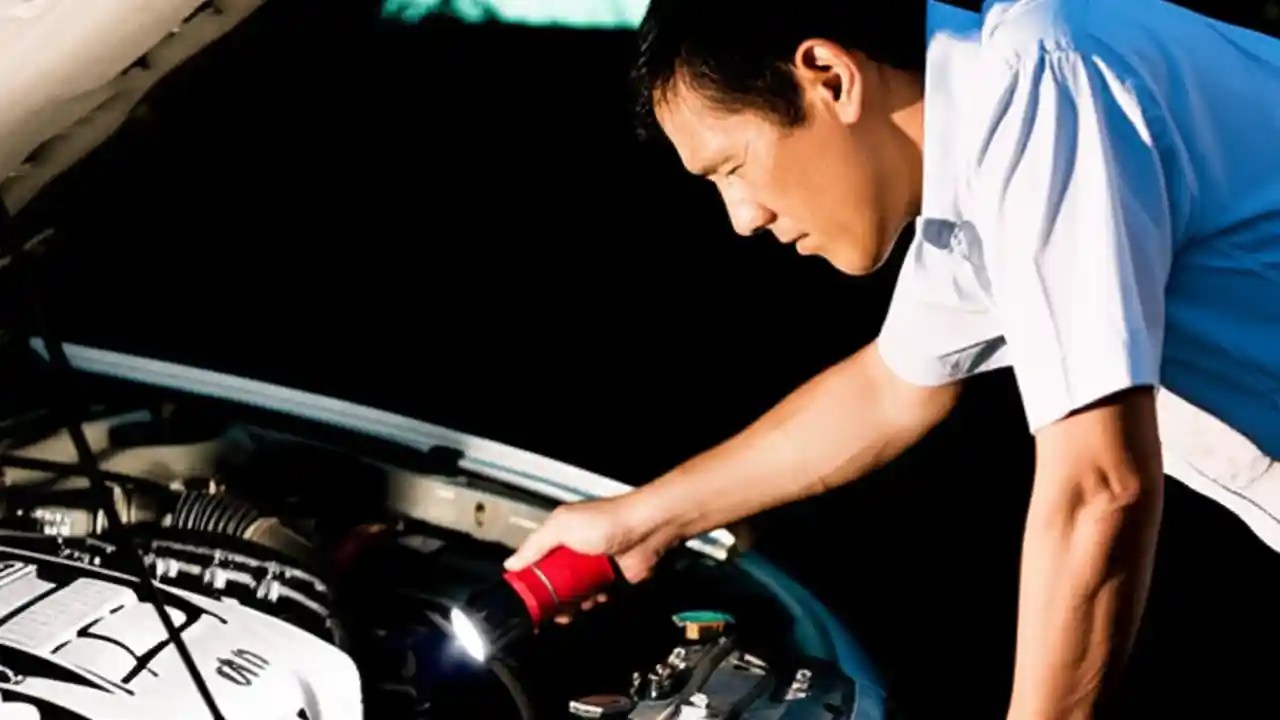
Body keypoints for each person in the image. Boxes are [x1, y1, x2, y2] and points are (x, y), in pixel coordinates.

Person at [505, 0, 1280, 716]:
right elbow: (891, 388)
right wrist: (638, 523)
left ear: (829, 76)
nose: (742, 219)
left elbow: (1099, 486)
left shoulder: (1041, 81)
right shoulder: (990, 156)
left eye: (733, 168)